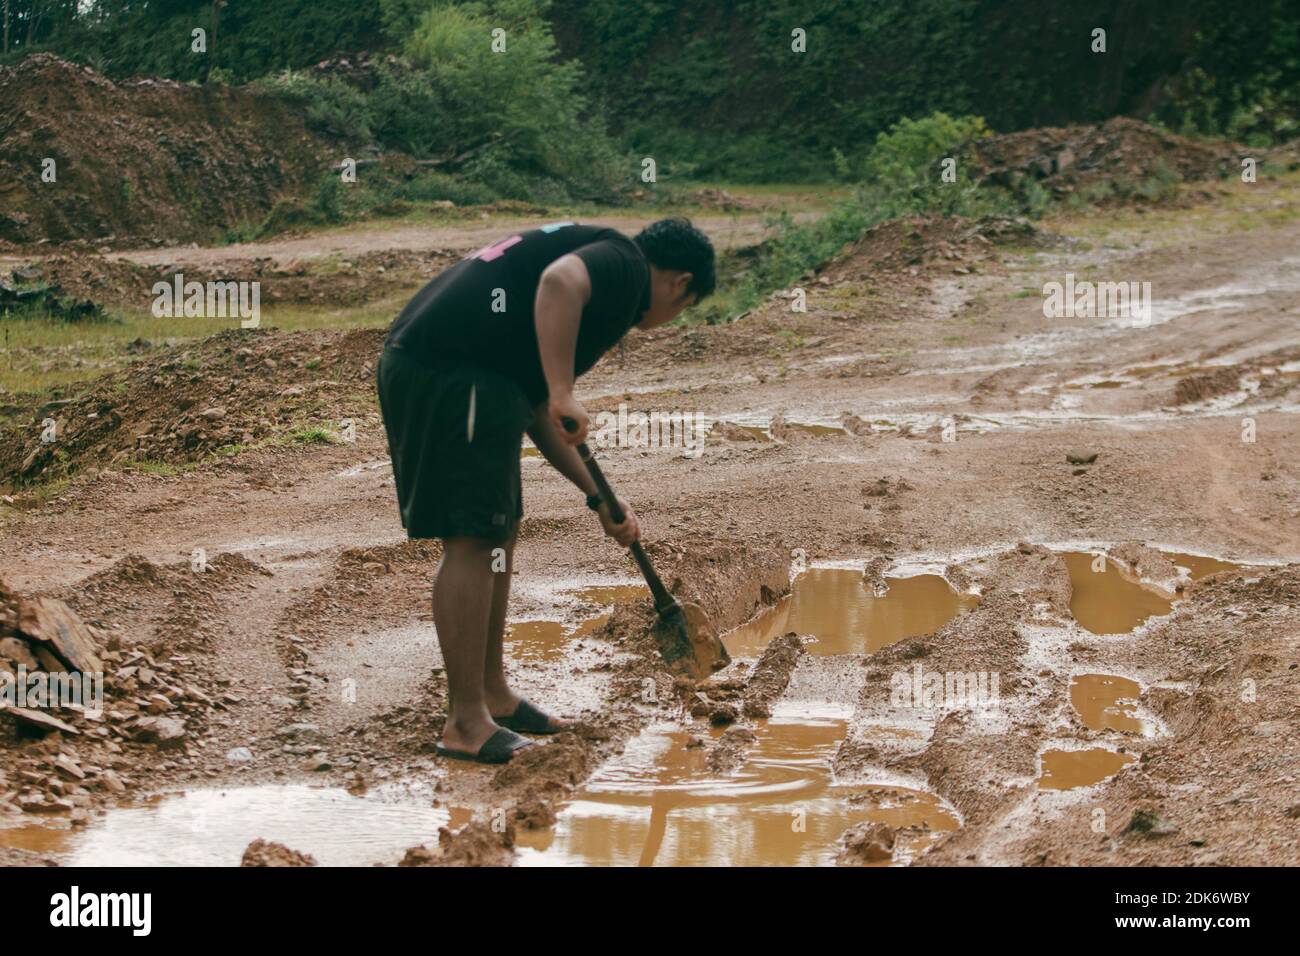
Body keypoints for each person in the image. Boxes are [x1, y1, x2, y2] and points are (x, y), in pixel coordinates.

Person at [376, 217, 716, 763]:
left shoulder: (605, 273)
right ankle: (465, 723)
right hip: (449, 373)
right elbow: (560, 282)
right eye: (685, 306)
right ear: (680, 283)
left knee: (496, 531)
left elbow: (538, 409)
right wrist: (564, 390)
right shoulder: (625, 264)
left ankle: (493, 696)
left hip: (472, 378)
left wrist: (601, 497)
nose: (672, 318)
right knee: (471, 540)